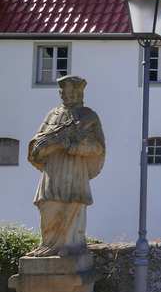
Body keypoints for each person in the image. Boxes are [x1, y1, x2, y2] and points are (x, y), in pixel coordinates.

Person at [27, 75, 105, 257]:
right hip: (52, 169)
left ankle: (70, 245)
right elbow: (37, 141)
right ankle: (48, 244)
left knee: (73, 205)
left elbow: (98, 148)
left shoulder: (88, 116)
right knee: (48, 206)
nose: (67, 96)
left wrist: (71, 146)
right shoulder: (52, 114)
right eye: (64, 92)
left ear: (80, 92)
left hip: (75, 169)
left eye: (72, 92)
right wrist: (44, 146)